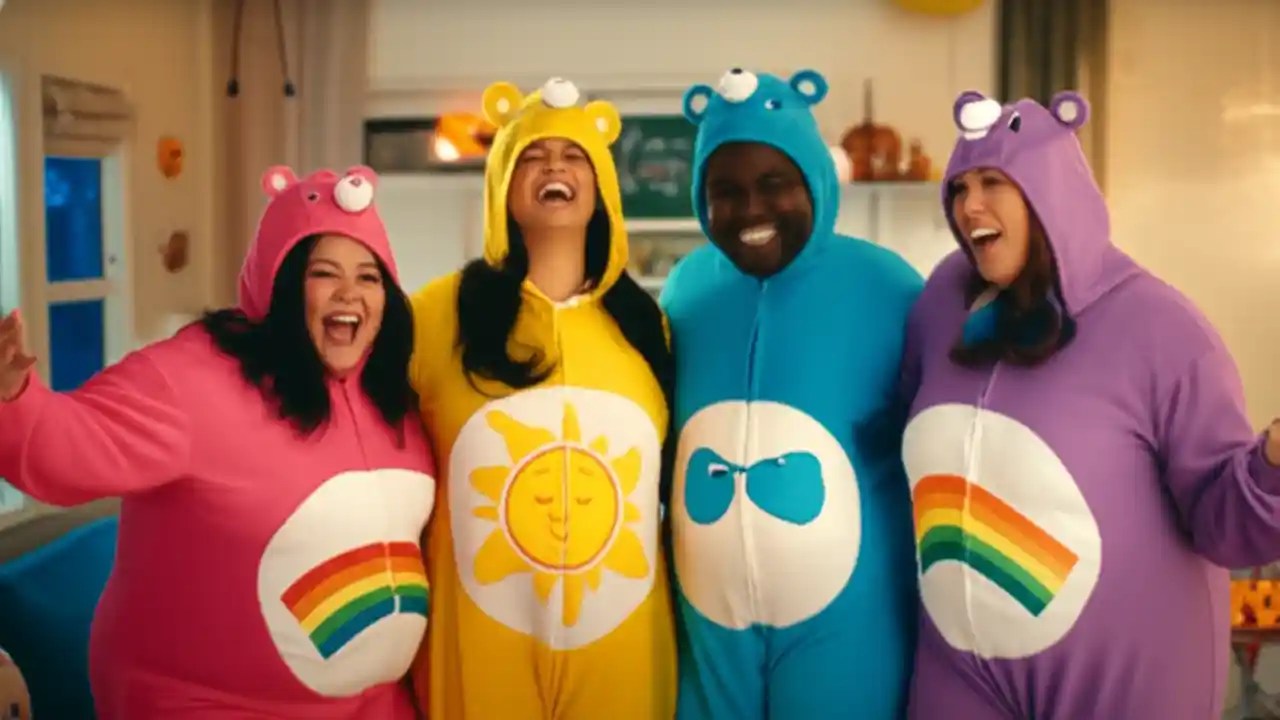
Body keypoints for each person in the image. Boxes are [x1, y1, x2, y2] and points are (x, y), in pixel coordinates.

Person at [0, 166, 436, 719]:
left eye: (369, 277)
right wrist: (14, 398)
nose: (350, 292)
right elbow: (68, 451)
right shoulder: (195, 378)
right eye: (324, 273)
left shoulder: (394, 394)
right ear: (281, 284)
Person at [899, 89, 1280, 719]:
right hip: (957, 670)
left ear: (1051, 192)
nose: (970, 206)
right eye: (960, 188)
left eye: (994, 182)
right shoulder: (942, 302)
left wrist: (1271, 460)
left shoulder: (1157, 326)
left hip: (1120, 680)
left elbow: (1225, 522)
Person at [405, 77, 676, 718]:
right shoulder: (436, 314)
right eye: (531, 156)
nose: (553, 166)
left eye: (574, 155)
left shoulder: (647, 326)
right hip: (476, 643)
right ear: (500, 185)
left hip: (623, 648)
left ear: (604, 189)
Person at [660, 67, 924, 720]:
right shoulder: (686, 290)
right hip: (708, 628)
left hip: (851, 619)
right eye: (726, 192)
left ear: (815, 180)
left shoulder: (889, 288)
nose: (750, 210)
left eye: (774, 184)